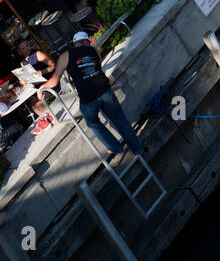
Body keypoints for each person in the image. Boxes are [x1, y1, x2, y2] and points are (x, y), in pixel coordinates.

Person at [40, 32, 143, 163]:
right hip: (105, 91)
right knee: (120, 120)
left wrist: (42, 87)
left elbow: (54, 81)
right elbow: (98, 68)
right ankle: (138, 149)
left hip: (88, 98)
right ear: (87, 41)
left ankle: (114, 147)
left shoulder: (66, 56)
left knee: (92, 122)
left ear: (74, 43)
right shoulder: (94, 50)